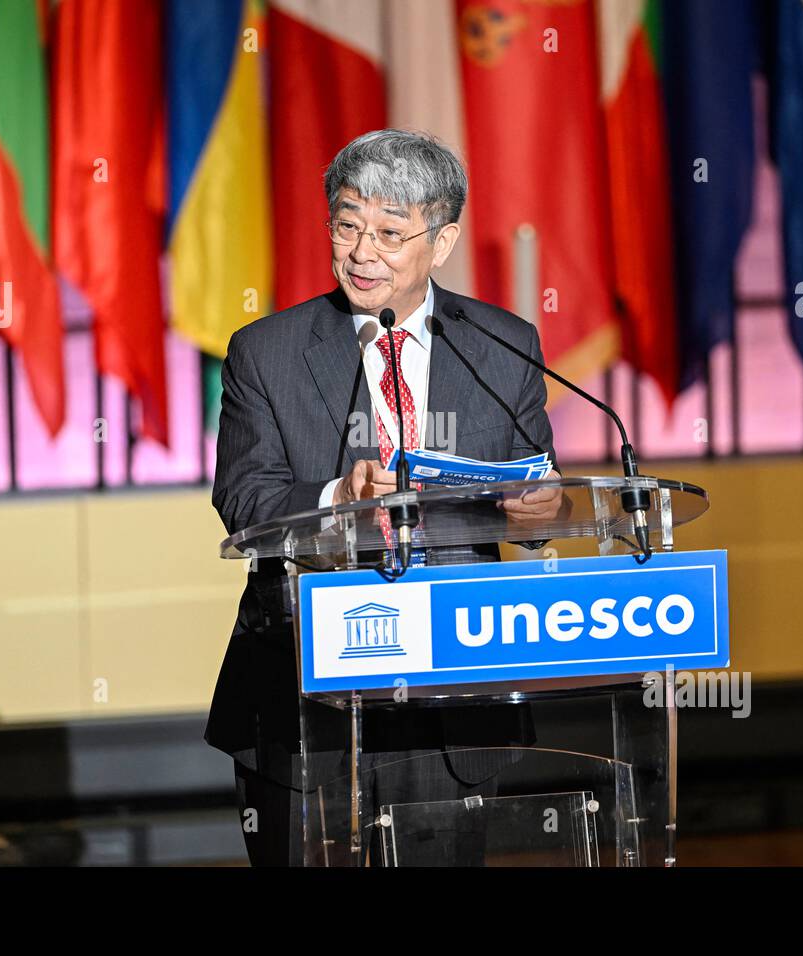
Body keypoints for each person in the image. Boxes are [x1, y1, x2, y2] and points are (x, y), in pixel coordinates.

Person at [208, 128, 560, 865]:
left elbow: (532, 494)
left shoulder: (503, 343)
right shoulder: (266, 352)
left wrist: (543, 510)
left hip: (451, 689)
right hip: (306, 687)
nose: (361, 252)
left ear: (443, 240)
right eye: (346, 224)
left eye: (390, 233)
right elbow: (245, 499)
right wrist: (343, 493)